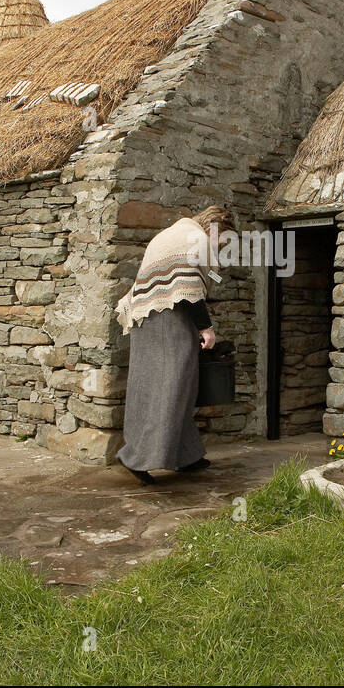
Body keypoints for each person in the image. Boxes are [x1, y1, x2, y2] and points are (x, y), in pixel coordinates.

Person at [113, 205, 234, 484]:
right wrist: (206, 328)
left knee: (169, 386)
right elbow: (188, 289)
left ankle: (186, 456)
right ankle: (136, 457)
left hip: (148, 317)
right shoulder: (194, 238)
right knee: (171, 387)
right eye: (223, 239)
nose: (221, 246)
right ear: (215, 226)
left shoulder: (173, 234)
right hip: (168, 320)